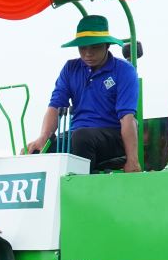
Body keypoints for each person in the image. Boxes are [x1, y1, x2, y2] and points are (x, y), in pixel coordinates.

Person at [32, 14, 141, 172]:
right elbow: (55, 106)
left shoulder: (123, 70)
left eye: (95, 47)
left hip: (112, 136)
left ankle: (82, 187)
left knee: (82, 137)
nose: (88, 53)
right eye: (83, 47)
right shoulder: (71, 68)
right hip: (78, 136)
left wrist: (133, 161)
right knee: (39, 150)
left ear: (107, 46)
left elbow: (127, 118)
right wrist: (43, 138)